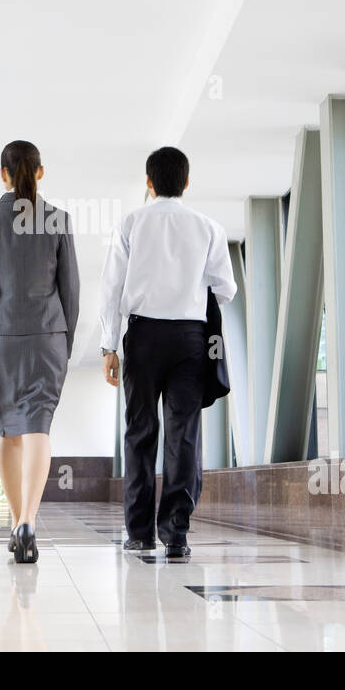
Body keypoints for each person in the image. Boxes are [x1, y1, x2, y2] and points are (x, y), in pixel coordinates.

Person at [99, 146, 236, 559]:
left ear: (149, 182)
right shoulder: (208, 226)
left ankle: (139, 533)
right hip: (190, 341)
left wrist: (109, 345)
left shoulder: (131, 223)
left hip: (141, 338)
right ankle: (176, 533)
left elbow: (111, 289)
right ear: (186, 182)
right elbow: (225, 288)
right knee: (183, 435)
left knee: (140, 433)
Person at [0, 141, 79, 563]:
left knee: (9, 433)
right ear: (40, 172)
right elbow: (70, 290)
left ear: (3, 174)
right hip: (48, 337)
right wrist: (64, 343)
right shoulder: (58, 220)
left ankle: (16, 520)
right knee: (39, 430)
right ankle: (28, 520)